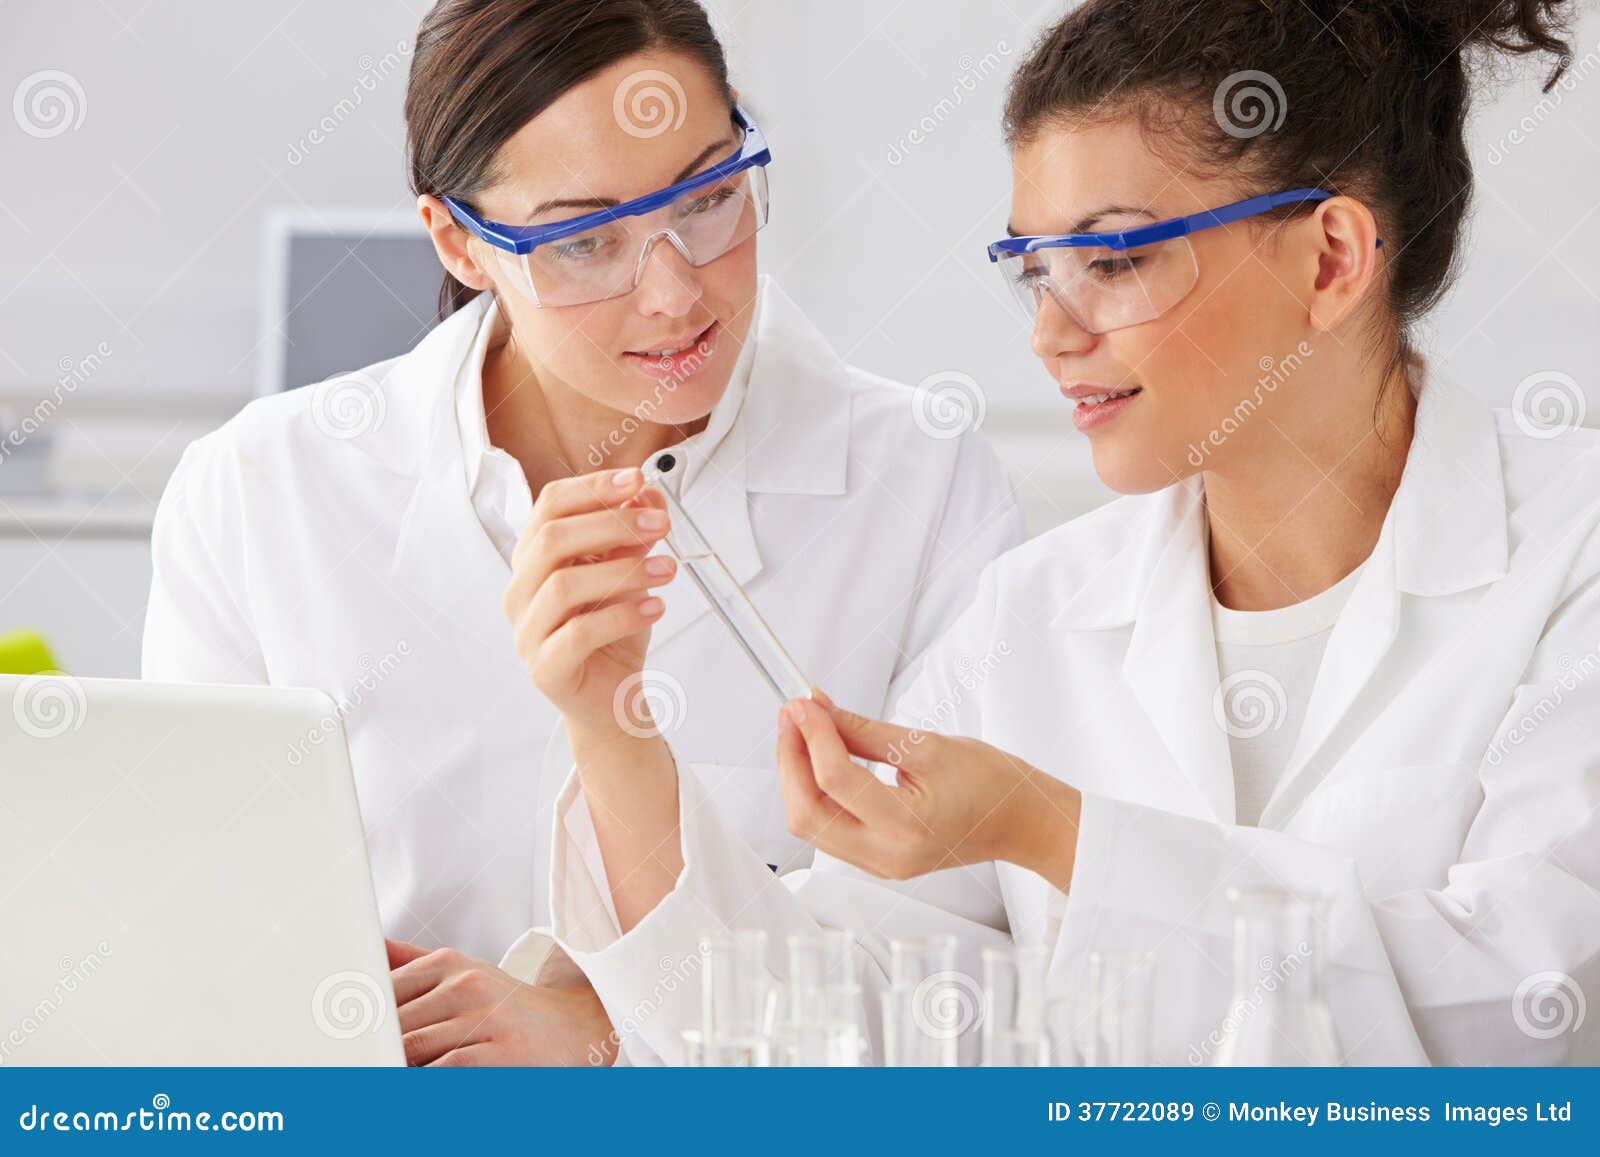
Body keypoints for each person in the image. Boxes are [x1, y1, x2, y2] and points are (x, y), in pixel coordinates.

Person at [527, 0, 1600, 1064]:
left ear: (1328, 259)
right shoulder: (1032, 615)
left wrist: (1053, 831)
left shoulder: (1573, 551)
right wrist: (609, 729)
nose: (1049, 331)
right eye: (1035, 268)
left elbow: (1537, 1008)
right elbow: (826, 1034)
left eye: (1115, 261)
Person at [142, 0, 1022, 1065]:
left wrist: (605, 1026)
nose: (675, 291)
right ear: (458, 240)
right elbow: (197, 951)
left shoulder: (922, 481)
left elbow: (968, 986)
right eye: (584, 240)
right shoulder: (259, 493)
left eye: (707, 196)